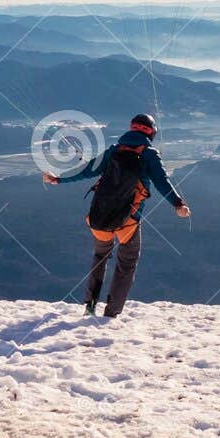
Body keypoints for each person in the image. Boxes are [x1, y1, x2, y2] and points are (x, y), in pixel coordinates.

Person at [44, 113, 190, 318]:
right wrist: (178, 203)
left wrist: (58, 179)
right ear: (152, 133)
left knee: (99, 257)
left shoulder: (114, 151)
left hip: (100, 215)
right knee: (126, 264)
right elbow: (161, 181)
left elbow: (86, 170)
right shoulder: (148, 154)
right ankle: (111, 313)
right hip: (129, 221)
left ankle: (90, 305)